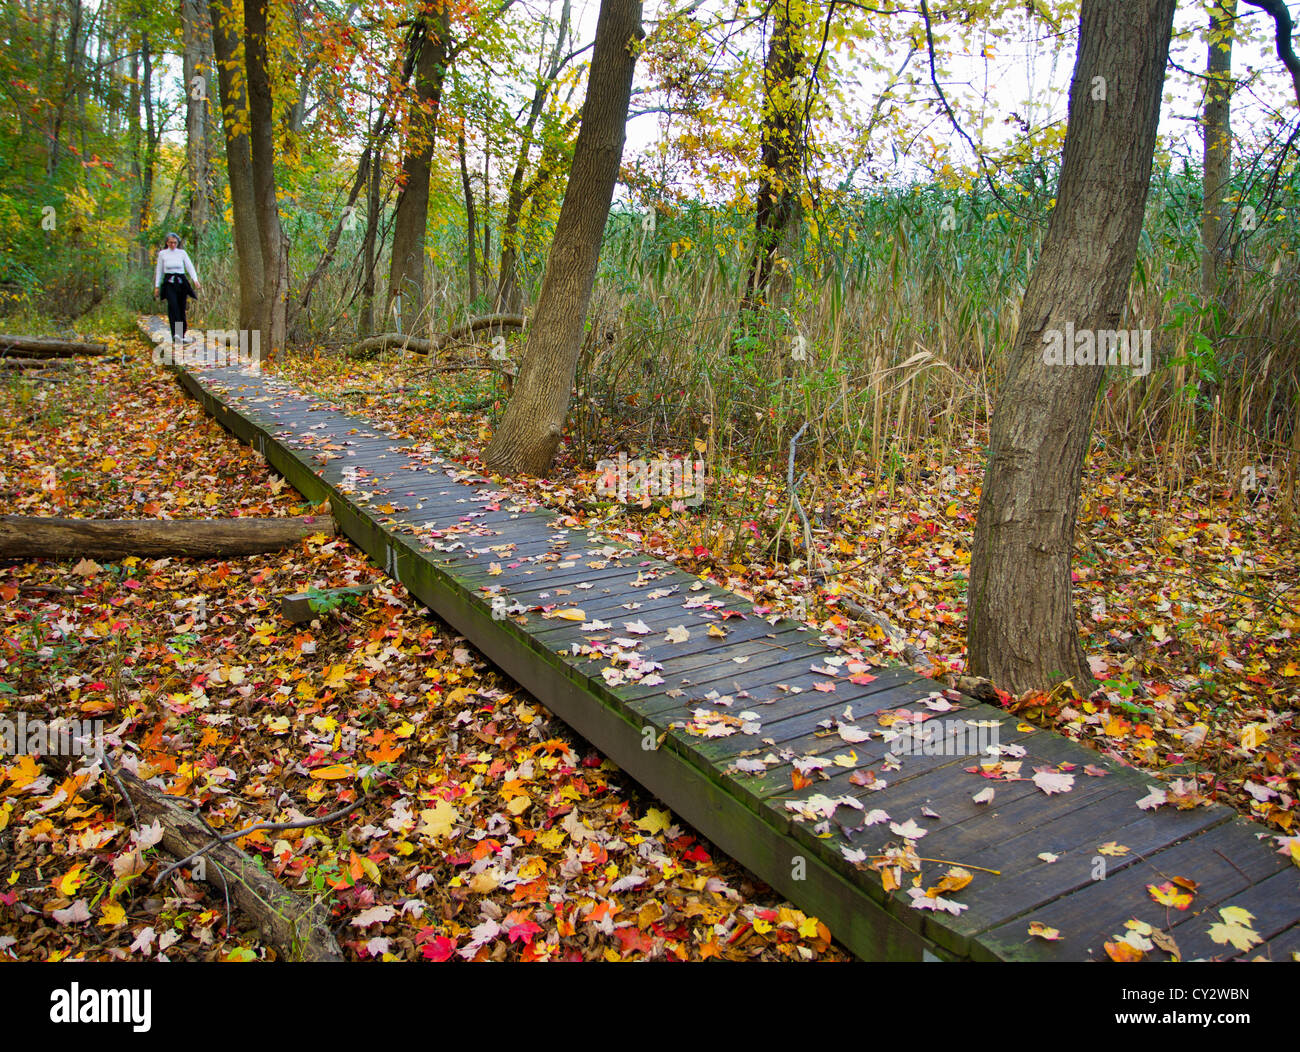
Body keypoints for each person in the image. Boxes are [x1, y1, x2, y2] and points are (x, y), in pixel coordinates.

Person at [154, 233, 202, 343]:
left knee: (181, 308)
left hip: (181, 283)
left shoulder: (182, 253)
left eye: (175, 242)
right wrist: (157, 286)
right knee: (173, 307)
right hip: (169, 283)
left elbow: (189, 266)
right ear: (167, 243)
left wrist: (195, 280)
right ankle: (175, 334)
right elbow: (159, 270)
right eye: (170, 242)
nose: (173, 244)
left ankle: (181, 334)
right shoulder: (163, 254)